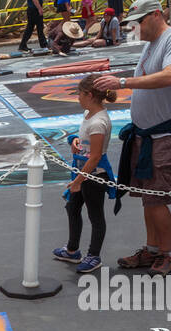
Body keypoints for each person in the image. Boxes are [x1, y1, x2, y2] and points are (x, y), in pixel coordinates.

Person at [94, 0, 171, 275]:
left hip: (164, 135)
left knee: (156, 199)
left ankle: (165, 253)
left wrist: (122, 82)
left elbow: (170, 76)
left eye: (141, 21)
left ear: (157, 15)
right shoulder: (152, 43)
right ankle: (152, 249)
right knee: (148, 198)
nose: (136, 27)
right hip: (148, 135)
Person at [52, 74, 116, 274]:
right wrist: (74, 141)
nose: (77, 98)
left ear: (89, 95)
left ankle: (93, 255)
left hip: (94, 175)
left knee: (95, 215)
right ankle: (72, 250)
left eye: (79, 94)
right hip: (83, 172)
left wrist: (79, 180)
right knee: (72, 208)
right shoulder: (88, 115)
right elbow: (86, 143)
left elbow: (95, 156)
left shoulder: (98, 122)